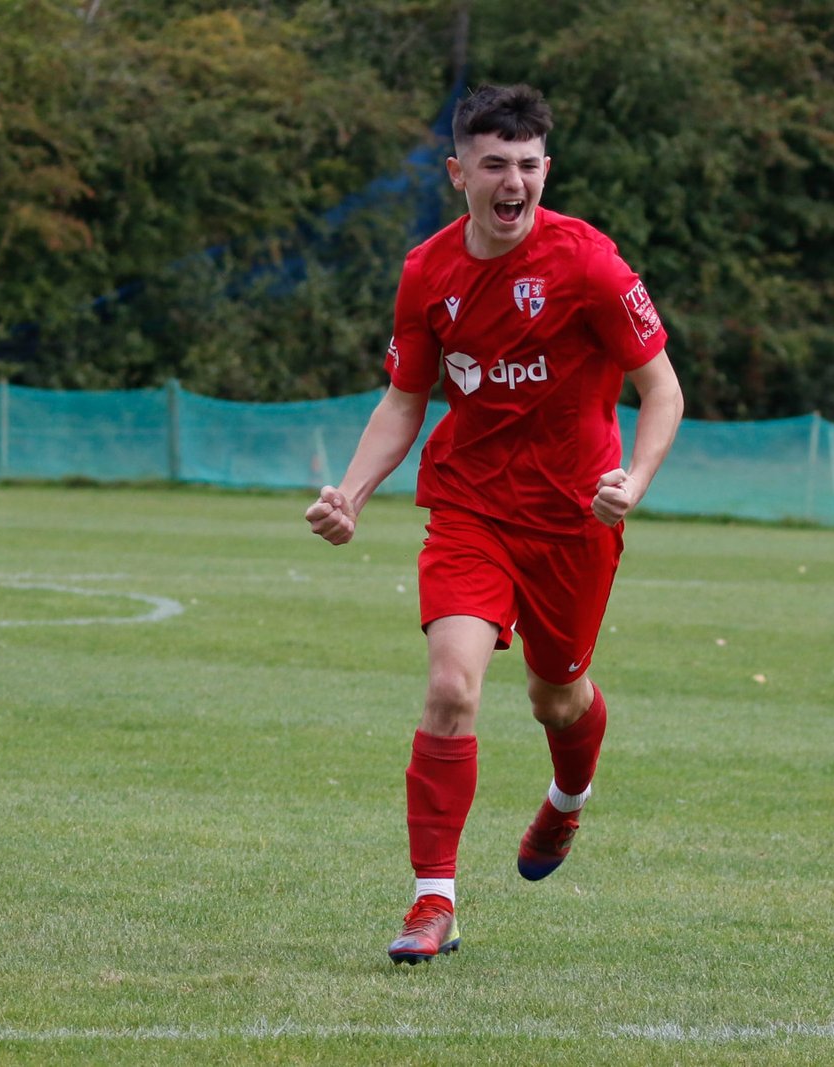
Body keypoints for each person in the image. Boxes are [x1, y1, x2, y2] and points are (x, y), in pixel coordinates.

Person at [304, 84, 684, 964]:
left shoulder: (589, 264)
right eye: (494, 165)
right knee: (451, 687)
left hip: (573, 520)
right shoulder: (426, 272)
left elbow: (661, 388)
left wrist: (637, 478)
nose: (512, 181)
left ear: (545, 170)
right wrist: (352, 493)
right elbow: (406, 400)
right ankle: (431, 900)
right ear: (458, 173)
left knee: (559, 696)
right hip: (470, 507)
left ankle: (568, 797)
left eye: (527, 165)